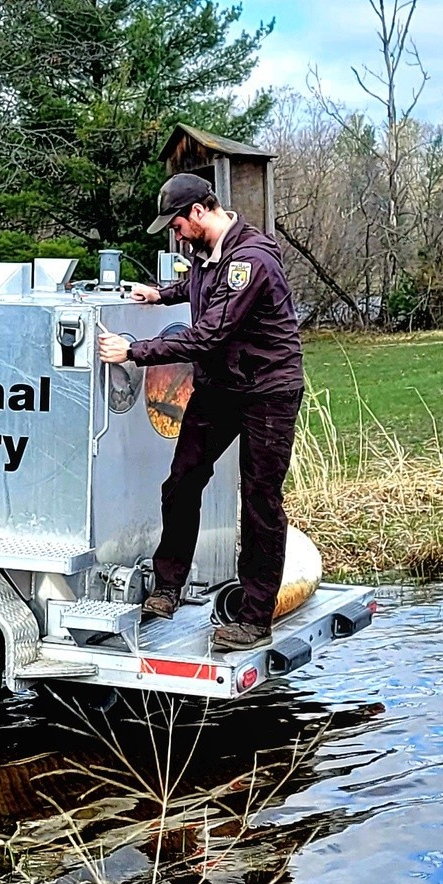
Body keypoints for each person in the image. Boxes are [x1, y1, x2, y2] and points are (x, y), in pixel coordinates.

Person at [97, 172, 305, 652]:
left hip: (267, 390)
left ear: (198, 212)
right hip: (222, 385)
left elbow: (210, 332)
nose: (174, 235)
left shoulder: (250, 261)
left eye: (176, 224)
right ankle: (168, 588)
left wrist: (133, 351)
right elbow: (197, 286)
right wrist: (160, 293)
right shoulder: (207, 253)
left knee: (260, 502)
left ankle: (254, 619)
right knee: (182, 481)